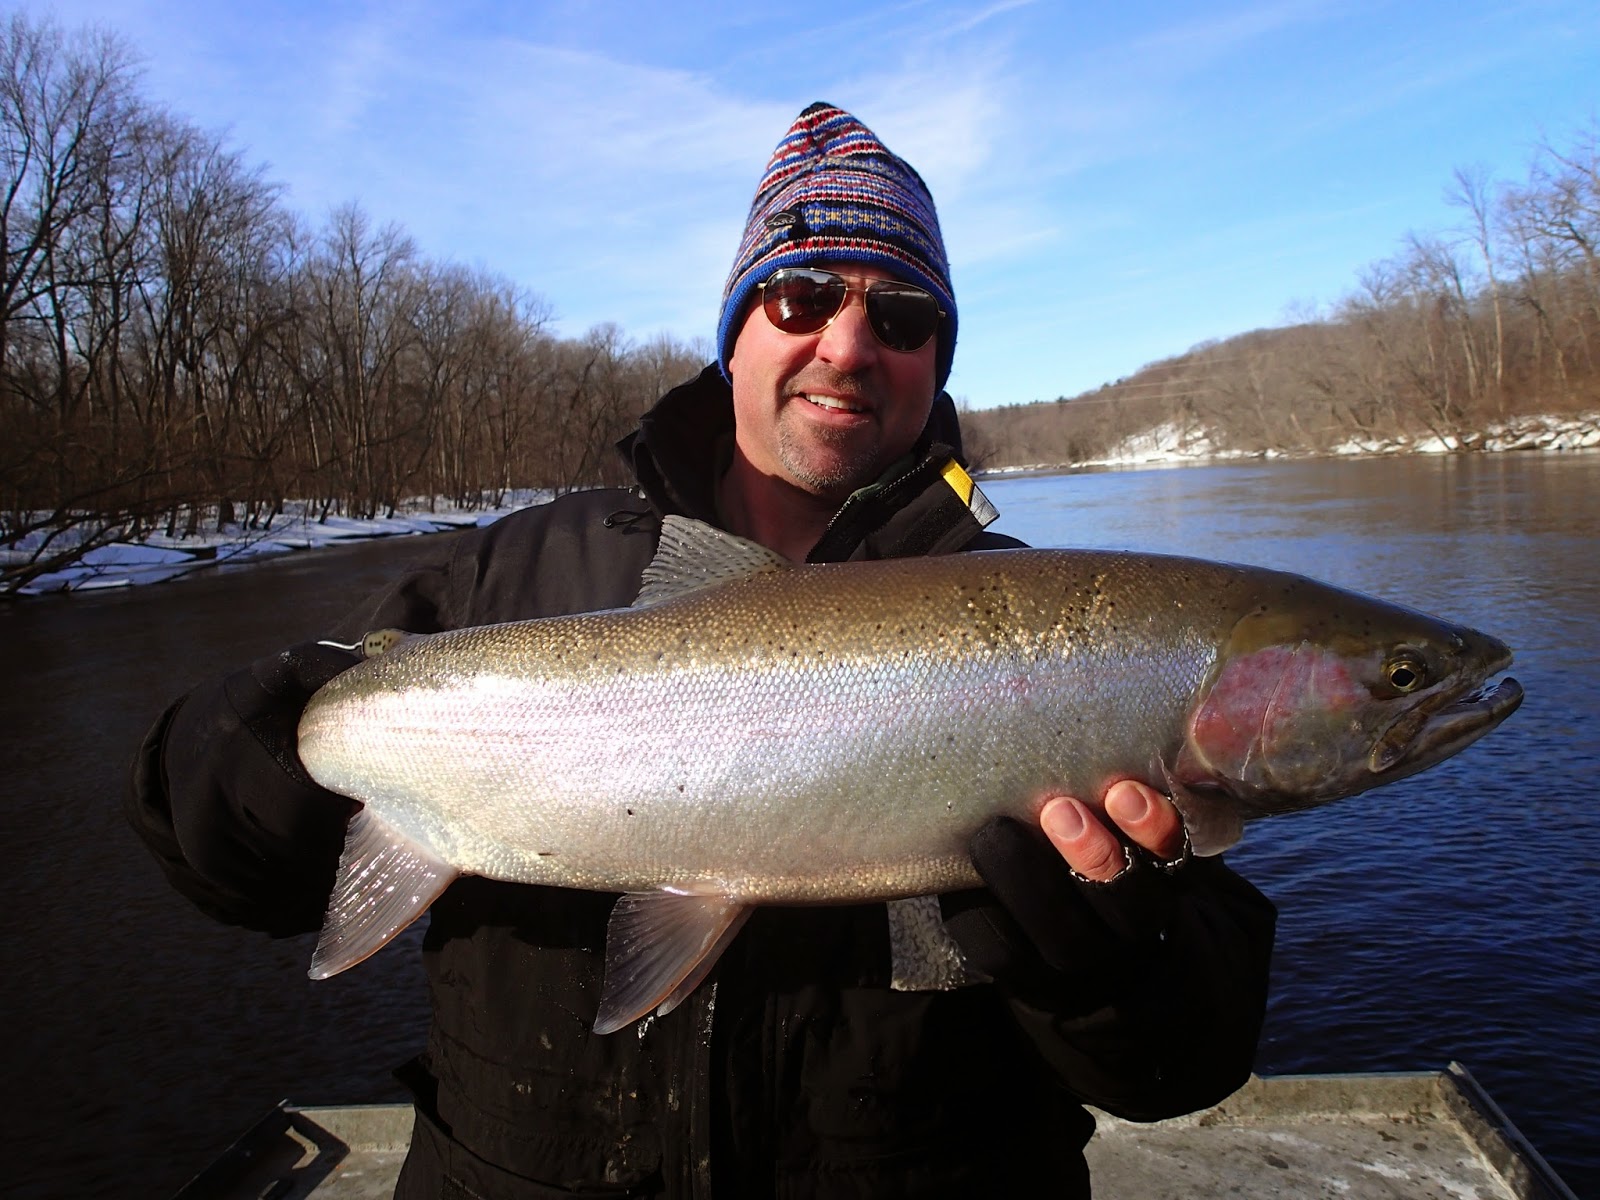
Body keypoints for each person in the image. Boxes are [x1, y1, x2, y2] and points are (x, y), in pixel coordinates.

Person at [128, 102, 1276, 1198]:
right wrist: (235, 770)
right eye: (799, 295)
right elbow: (222, 871)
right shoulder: (505, 578)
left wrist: (1123, 968)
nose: (848, 343)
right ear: (733, 335)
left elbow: (1182, 1072)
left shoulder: (1064, 630)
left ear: (937, 362)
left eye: (903, 318)